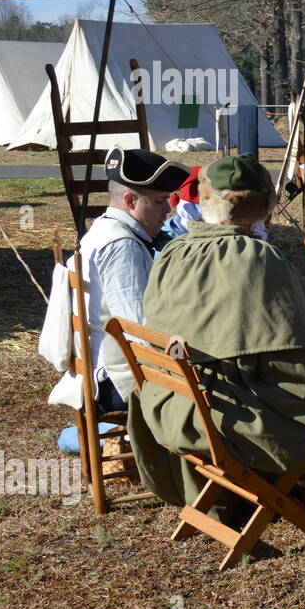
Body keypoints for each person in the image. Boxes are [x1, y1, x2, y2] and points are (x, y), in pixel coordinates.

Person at [126, 154, 305, 515]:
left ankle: (249, 490)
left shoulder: (173, 250)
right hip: (231, 414)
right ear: (264, 208)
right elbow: (302, 356)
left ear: (206, 203)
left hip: (173, 405)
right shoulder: (258, 257)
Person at [48, 147, 190, 451]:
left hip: (97, 372)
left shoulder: (102, 229)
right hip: (113, 382)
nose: (168, 211)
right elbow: (140, 331)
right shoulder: (122, 246)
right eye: (160, 201)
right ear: (130, 201)